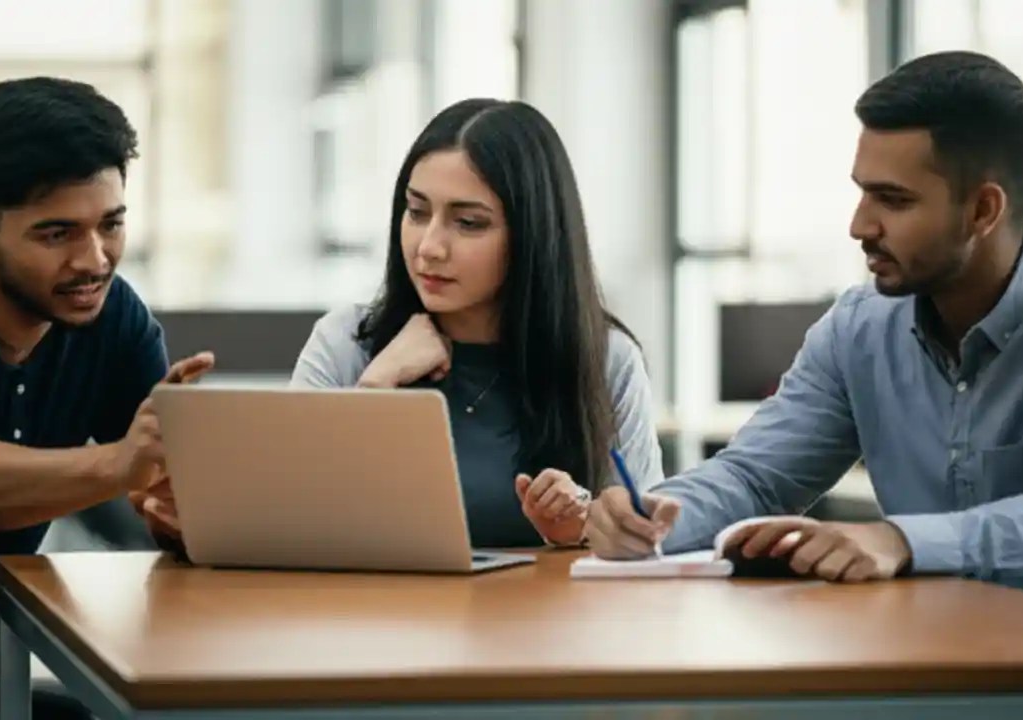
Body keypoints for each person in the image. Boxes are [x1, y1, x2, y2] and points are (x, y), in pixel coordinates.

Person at [586, 50, 1023, 614]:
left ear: (983, 211)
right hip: (927, 663)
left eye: (893, 200)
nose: (860, 226)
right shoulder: (859, 330)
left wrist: (898, 539)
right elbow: (755, 478)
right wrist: (651, 516)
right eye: (862, 191)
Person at [139, 99, 663, 550]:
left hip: (541, 644)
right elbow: (288, 521)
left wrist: (577, 529)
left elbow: (648, 539)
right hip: (371, 640)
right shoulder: (348, 343)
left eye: (468, 223)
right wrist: (375, 387)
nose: (429, 246)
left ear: (533, 235)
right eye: (416, 212)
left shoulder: (606, 359)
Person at [0, 77, 213, 717]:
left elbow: (167, 484)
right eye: (57, 234)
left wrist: (182, 513)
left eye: (111, 225)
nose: (94, 260)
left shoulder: (112, 321)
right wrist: (121, 464)